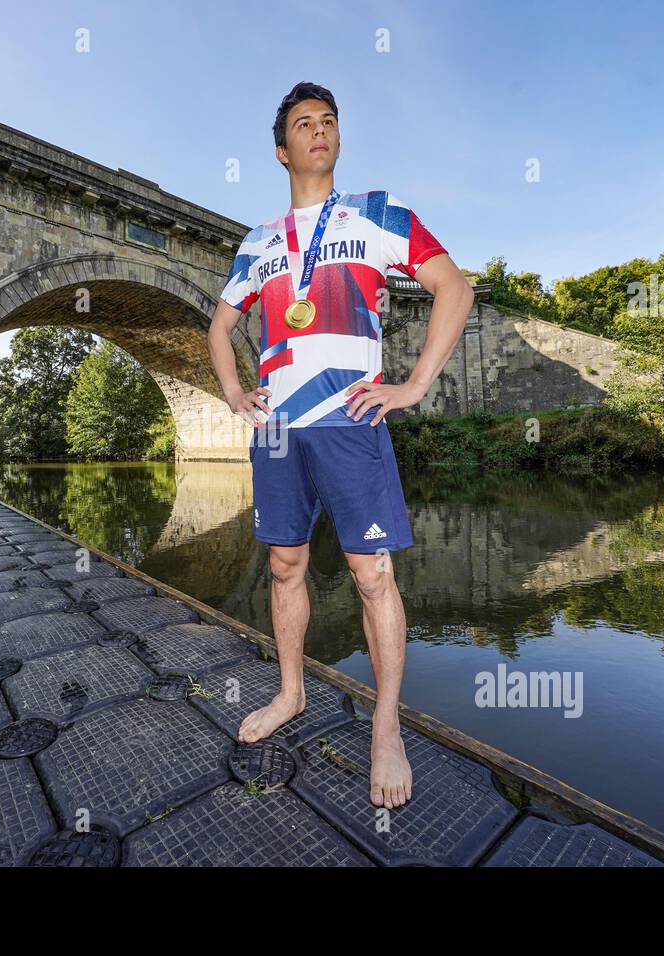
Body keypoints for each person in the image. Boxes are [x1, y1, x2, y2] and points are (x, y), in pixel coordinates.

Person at [206, 81, 475, 809]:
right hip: (280, 427)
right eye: (303, 122)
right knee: (284, 562)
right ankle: (291, 692)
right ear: (281, 148)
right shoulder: (257, 243)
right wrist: (234, 393)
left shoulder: (379, 214)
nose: (319, 130)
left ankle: (385, 727)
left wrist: (414, 384)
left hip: (352, 420)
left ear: (337, 139)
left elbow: (456, 288)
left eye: (328, 121)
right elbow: (218, 329)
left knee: (371, 574)